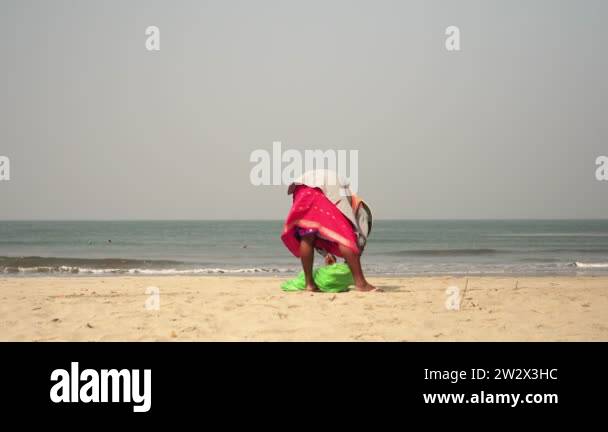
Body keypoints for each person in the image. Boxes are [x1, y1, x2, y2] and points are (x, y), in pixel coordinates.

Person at [281, 169, 380, 292]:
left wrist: (326, 254)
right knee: (345, 236)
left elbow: (320, 231)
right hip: (317, 191)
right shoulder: (349, 196)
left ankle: (309, 284)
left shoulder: (335, 184)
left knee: (307, 235)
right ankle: (361, 283)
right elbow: (352, 234)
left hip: (300, 190)